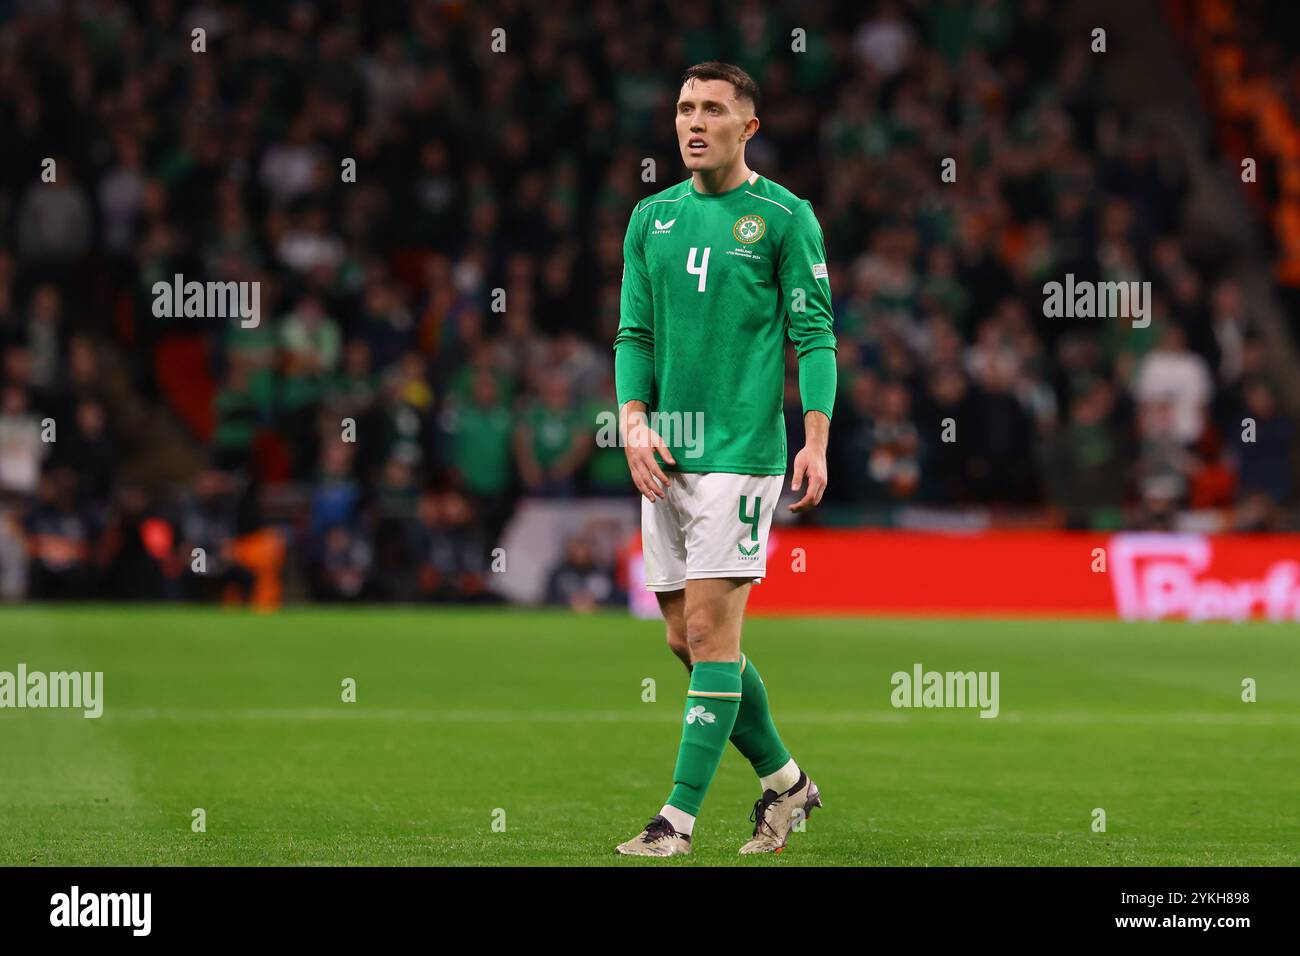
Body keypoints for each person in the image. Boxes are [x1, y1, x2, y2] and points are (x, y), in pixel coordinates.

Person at [612, 62, 836, 856]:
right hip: (667, 454)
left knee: (711, 631)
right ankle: (788, 786)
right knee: (685, 639)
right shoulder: (652, 218)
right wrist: (633, 422)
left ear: (749, 127)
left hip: (743, 453)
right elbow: (634, 335)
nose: (693, 121)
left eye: (712, 108)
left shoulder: (783, 217)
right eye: (683, 107)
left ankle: (674, 822)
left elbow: (814, 335)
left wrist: (814, 437)